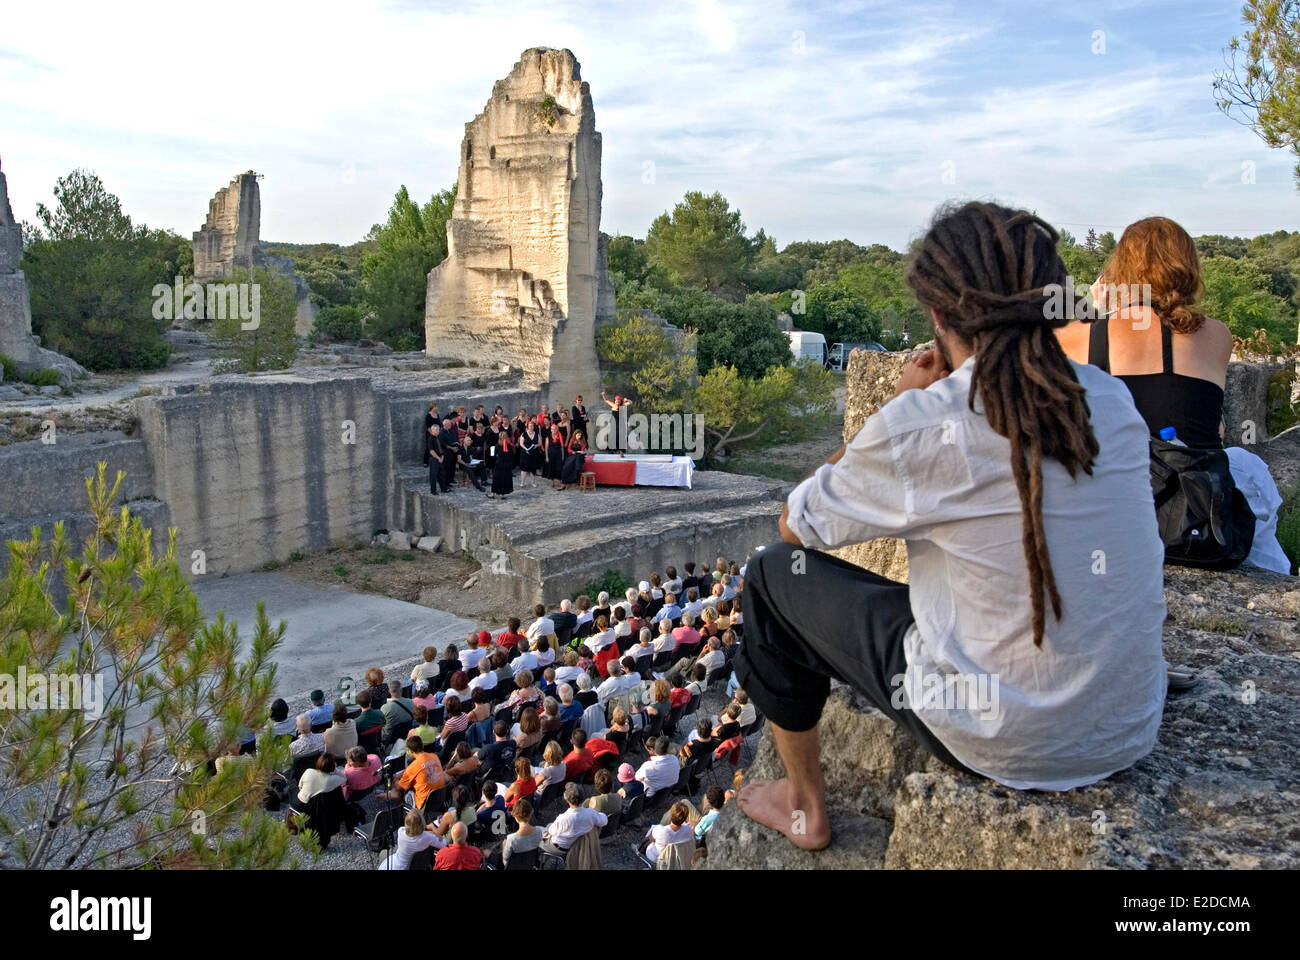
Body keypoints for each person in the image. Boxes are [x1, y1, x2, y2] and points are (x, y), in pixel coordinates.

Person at [734, 201, 1168, 853]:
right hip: (1129, 726)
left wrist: (896, 405)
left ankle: (803, 805)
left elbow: (796, 524)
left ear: (938, 317)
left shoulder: (927, 420)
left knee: (771, 574)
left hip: (998, 737)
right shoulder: (1112, 399)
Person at [1055, 215, 1290, 574]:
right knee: (1250, 467)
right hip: (1195, 505)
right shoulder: (1217, 335)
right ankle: (1275, 579)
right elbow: (1211, 424)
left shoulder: (1076, 336)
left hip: (1117, 508)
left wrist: (1101, 308)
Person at [540, 782, 608, 856]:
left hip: (558, 848)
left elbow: (551, 832)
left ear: (567, 800)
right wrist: (597, 813)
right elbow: (604, 820)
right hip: (574, 844)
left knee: (538, 831)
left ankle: (537, 861)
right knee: (549, 826)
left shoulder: (563, 818)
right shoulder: (590, 813)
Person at [389, 735, 447, 811]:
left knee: (402, 789)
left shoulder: (413, 766)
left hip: (424, 804)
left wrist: (395, 779)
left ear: (410, 751)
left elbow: (400, 787)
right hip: (440, 797)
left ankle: (401, 812)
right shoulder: (434, 756)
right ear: (422, 746)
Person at [379, 809, 444, 871]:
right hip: (418, 865)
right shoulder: (427, 837)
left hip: (398, 864)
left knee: (383, 853)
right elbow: (443, 844)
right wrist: (434, 831)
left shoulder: (401, 831)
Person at [497, 797, 541, 868]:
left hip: (512, 867)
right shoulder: (539, 831)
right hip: (530, 864)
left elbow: (505, 859)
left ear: (516, 817)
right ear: (530, 814)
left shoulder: (511, 839)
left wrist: (504, 845)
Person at [490, 426, 514, 499]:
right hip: (507, 464)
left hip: (499, 464)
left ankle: (492, 494)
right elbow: (511, 455)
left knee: (496, 479)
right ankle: (502, 494)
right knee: (505, 479)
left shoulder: (497, 445)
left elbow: (492, 455)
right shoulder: (509, 445)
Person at [427, 421, 448, 494]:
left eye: (438, 429)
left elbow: (440, 449)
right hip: (434, 459)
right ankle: (433, 491)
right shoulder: (431, 439)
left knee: (441, 474)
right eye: (436, 430)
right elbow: (431, 451)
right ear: (432, 430)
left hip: (440, 458)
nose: (438, 431)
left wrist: (442, 457)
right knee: (433, 475)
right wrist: (438, 458)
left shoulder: (438, 438)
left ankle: (444, 488)